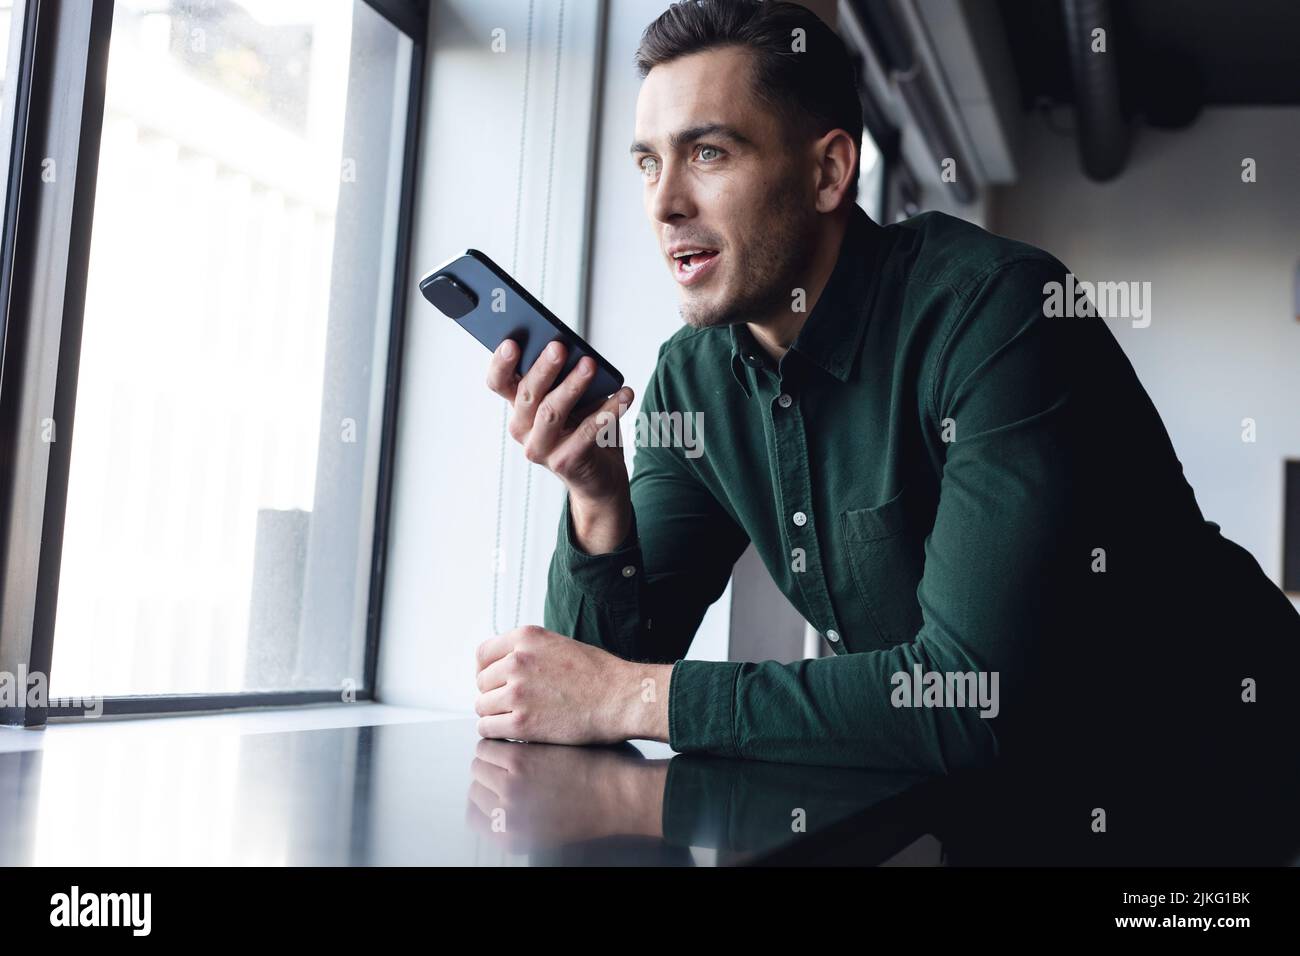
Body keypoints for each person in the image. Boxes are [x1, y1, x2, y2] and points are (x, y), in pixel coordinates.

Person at [473, 0, 1299, 773]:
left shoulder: (1001, 313)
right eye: (649, 162)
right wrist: (595, 496)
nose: (665, 202)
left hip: (1220, 779)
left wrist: (631, 698)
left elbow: (971, 695)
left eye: (708, 153)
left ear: (831, 171)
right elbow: (590, 685)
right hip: (1009, 814)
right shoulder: (694, 377)